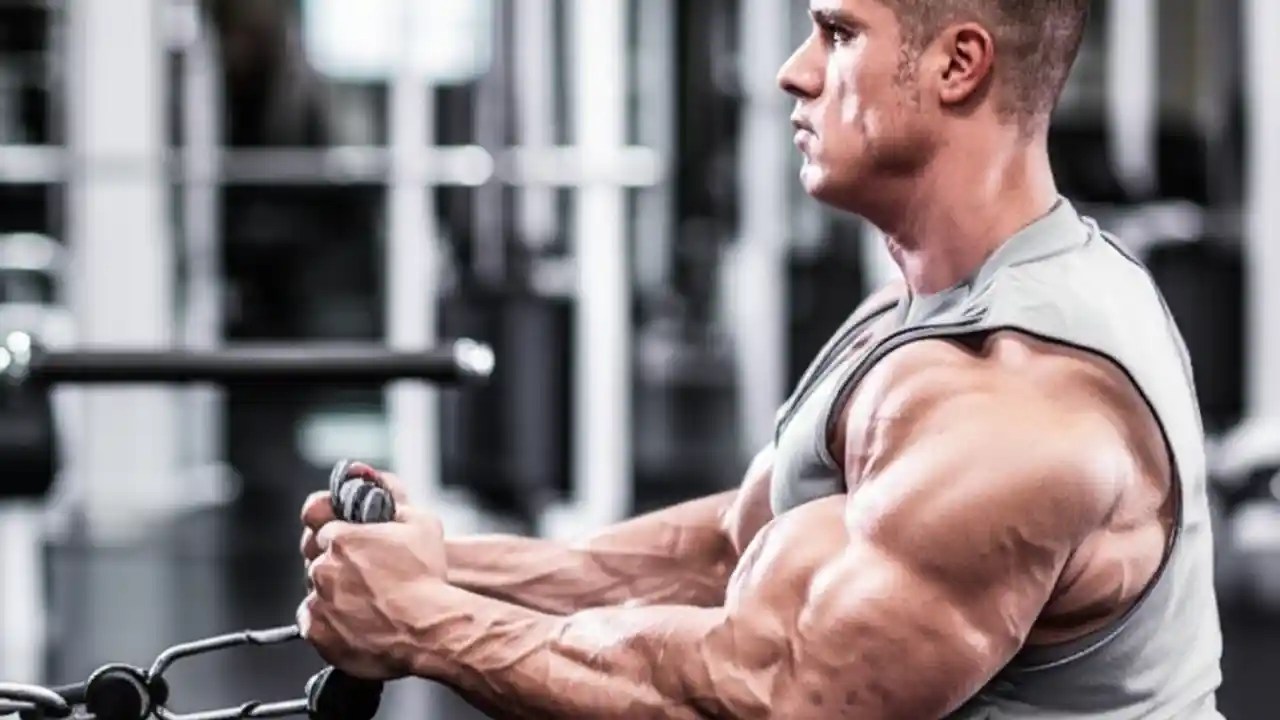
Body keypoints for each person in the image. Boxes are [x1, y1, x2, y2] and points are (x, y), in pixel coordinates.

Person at [297, 0, 1224, 717]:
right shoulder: (926, 304)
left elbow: (772, 693)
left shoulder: (1015, 408)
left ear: (958, 63)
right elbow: (737, 541)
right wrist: (446, 564)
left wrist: (426, 622)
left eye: (837, 33)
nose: (793, 72)